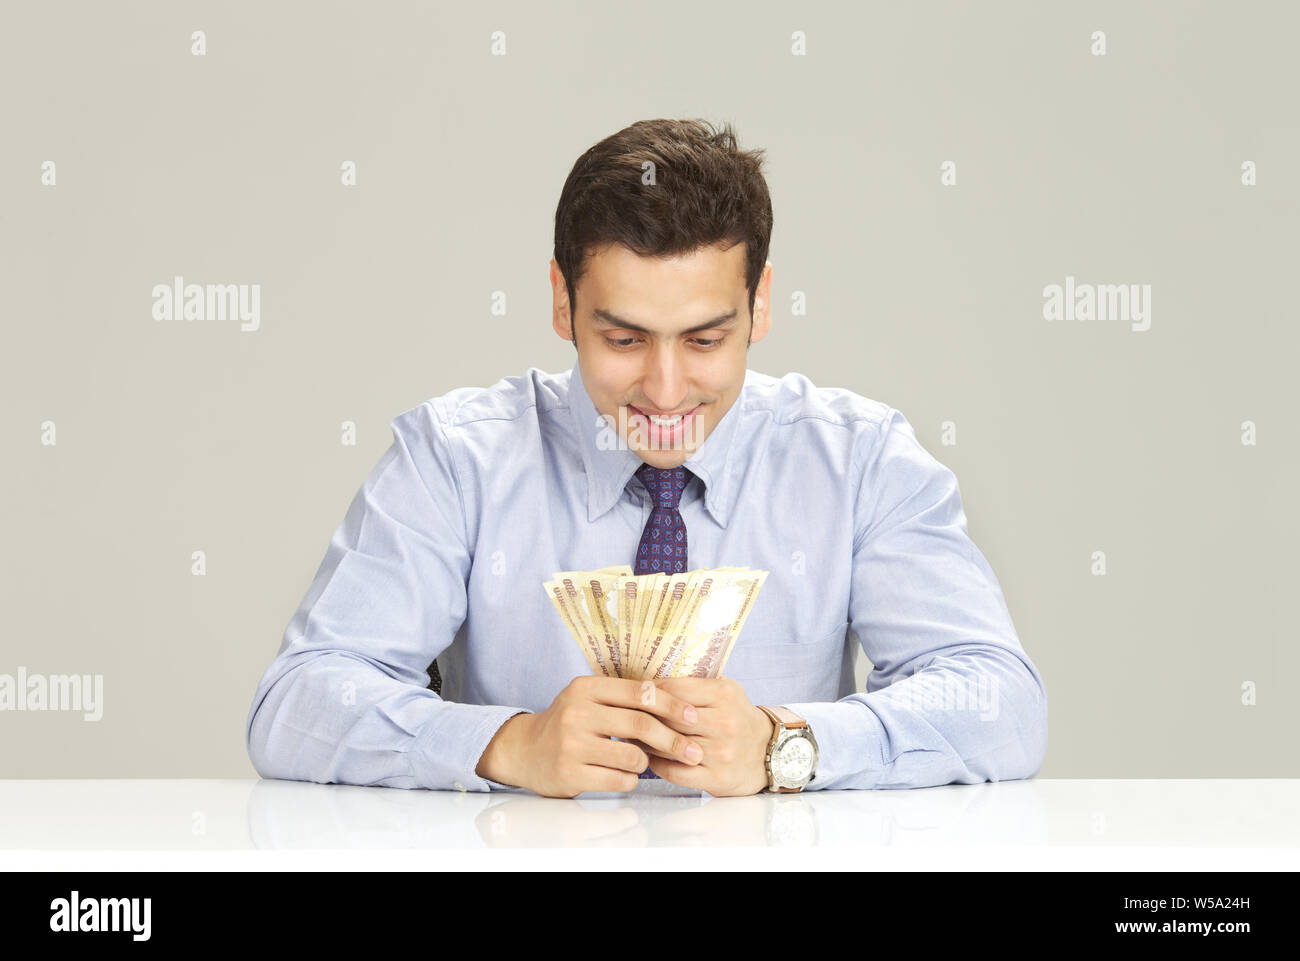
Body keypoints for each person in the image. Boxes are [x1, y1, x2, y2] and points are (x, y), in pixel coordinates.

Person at [245, 118, 1048, 799]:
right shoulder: (455, 459)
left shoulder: (859, 459)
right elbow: (295, 703)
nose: (665, 391)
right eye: (623, 339)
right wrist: (508, 745)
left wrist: (784, 744)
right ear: (562, 300)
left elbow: (1002, 702)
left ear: (760, 302)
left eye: (705, 339)